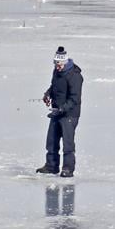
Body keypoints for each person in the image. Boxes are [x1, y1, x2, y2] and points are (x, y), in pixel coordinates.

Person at [36, 46, 83, 178]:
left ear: (66, 62)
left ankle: (68, 169)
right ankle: (51, 166)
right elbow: (54, 86)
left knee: (67, 143)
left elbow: (75, 98)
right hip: (57, 111)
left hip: (70, 114)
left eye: (60, 64)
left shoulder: (74, 76)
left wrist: (63, 108)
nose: (58, 67)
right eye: (56, 64)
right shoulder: (56, 72)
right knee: (51, 140)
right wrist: (48, 94)